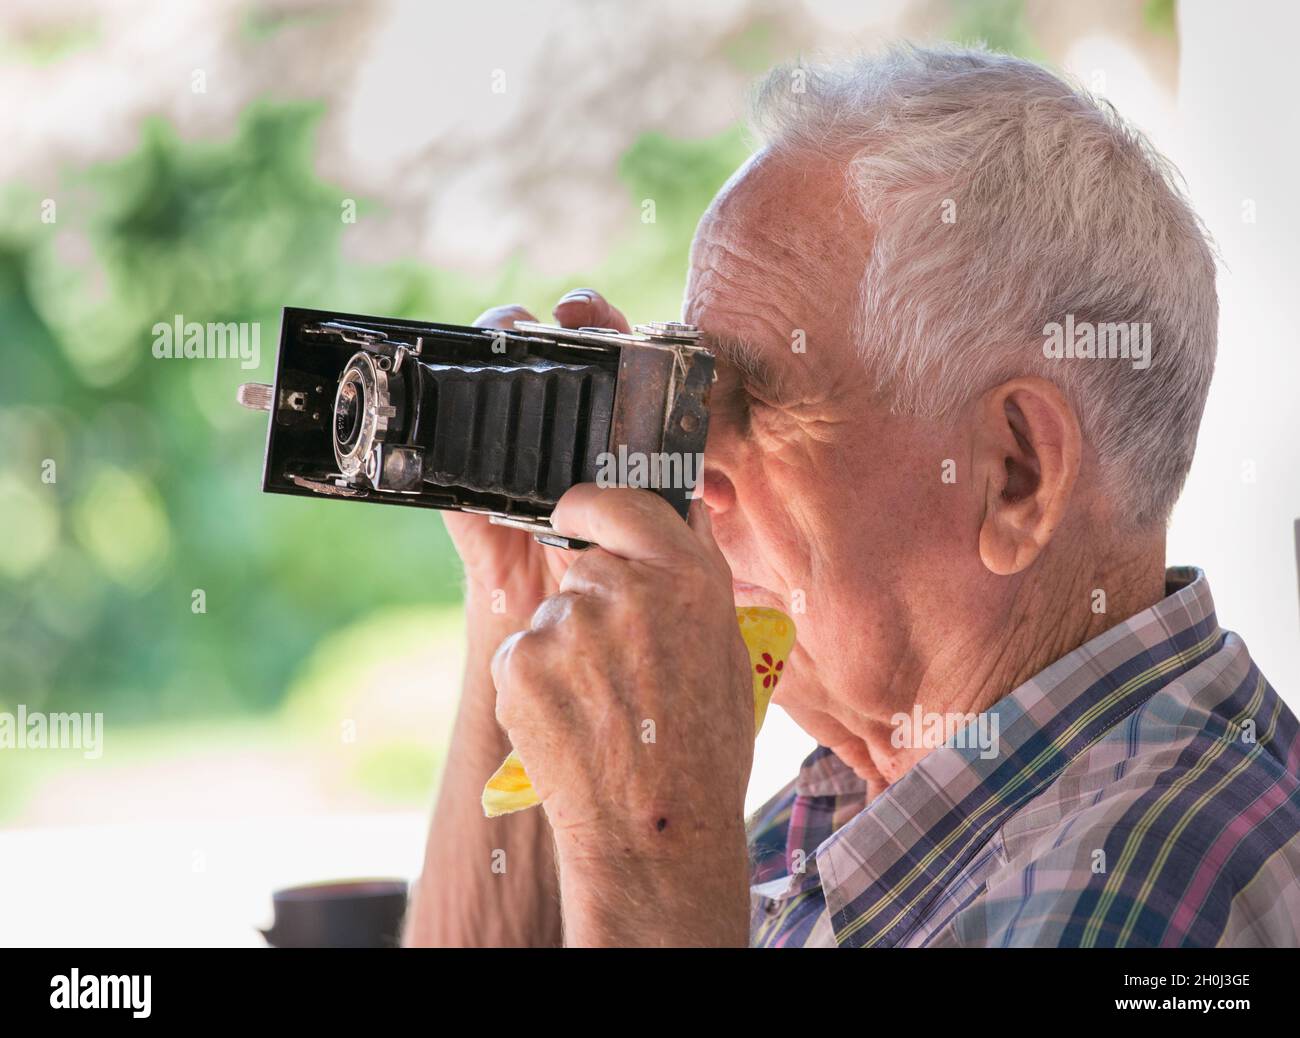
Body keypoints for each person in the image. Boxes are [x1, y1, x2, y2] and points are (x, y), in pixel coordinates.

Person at [404, 46, 1300, 947]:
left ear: (1014, 475)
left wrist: (651, 852)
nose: (684, 470)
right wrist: (527, 601)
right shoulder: (859, 803)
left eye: (750, 400)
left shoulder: (1146, 885)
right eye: (688, 393)